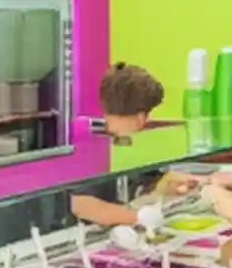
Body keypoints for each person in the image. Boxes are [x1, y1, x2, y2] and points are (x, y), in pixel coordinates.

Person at [70, 62, 175, 228]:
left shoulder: (133, 147)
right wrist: (138, 218)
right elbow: (81, 204)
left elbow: (152, 183)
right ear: (141, 117)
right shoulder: (93, 149)